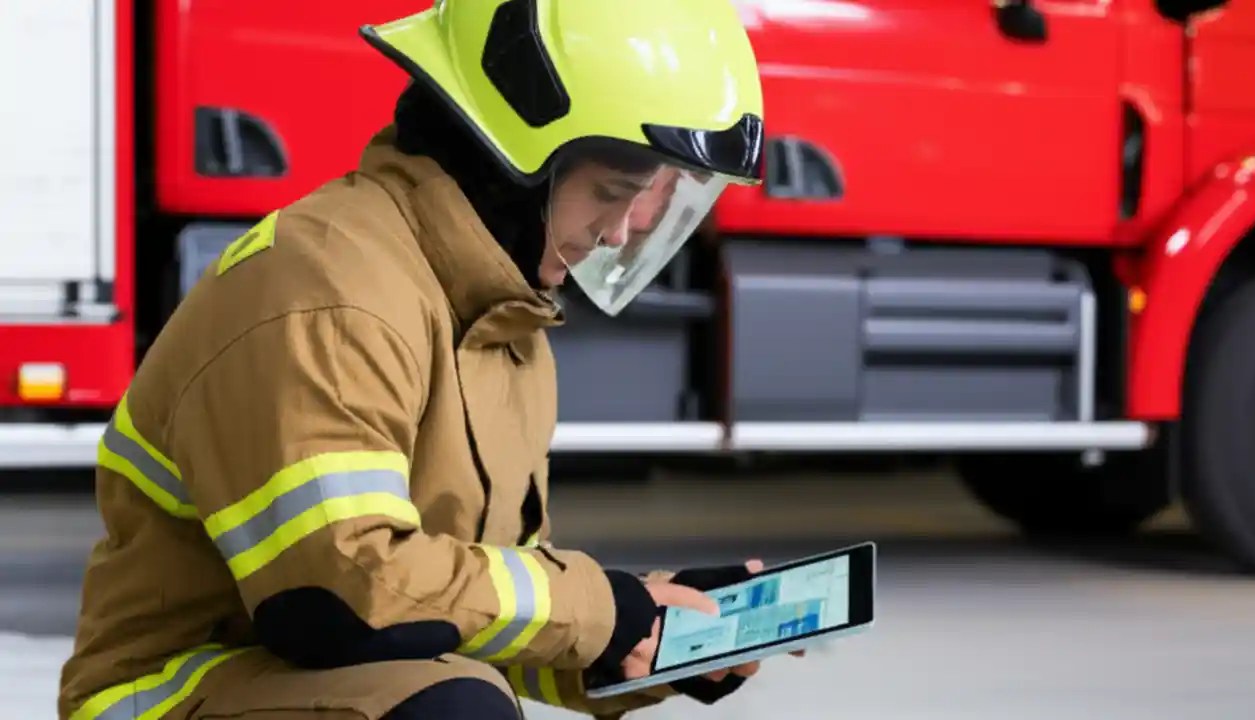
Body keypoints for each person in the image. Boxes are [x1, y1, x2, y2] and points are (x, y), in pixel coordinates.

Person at [57, 1, 775, 718]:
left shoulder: (501, 327)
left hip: (300, 682)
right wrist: (598, 606)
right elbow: (342, 596)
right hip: (162, 696)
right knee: (455, 711)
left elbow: (463, 616)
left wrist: (645, 631)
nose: (619, 233)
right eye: (610, 193)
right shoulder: (330, 292)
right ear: (509, 159)